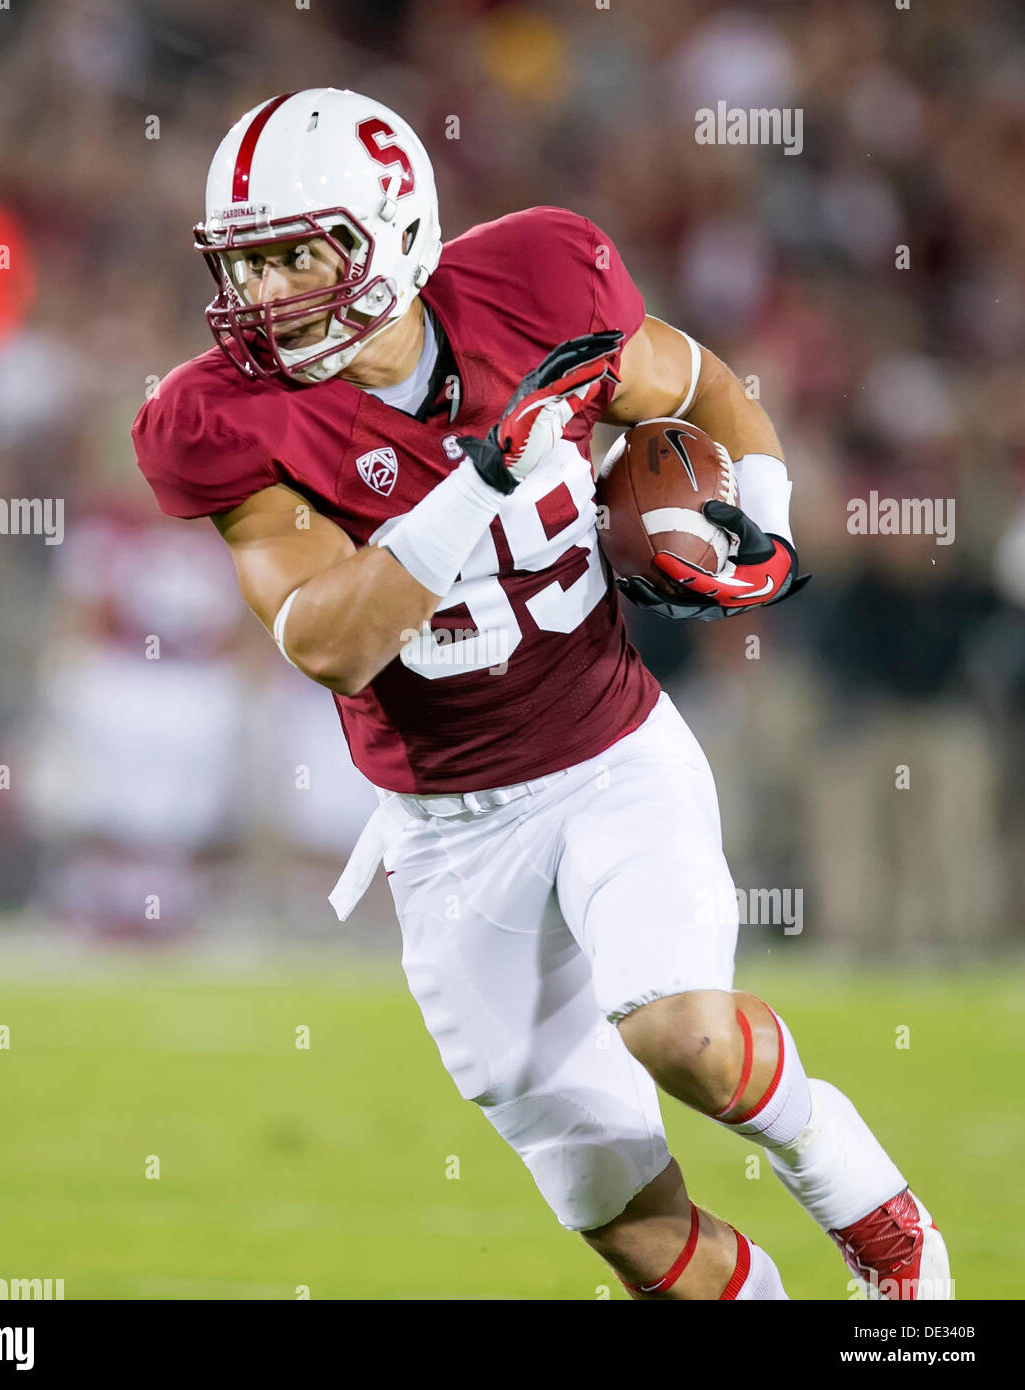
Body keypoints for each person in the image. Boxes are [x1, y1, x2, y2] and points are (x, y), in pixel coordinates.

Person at [132, 87, 949, 1300]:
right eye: (244, 263)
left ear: (392, 232)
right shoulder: (218, 418)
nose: (263, 293)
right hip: (447, 834)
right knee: (628, 1227)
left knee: (680, 1035)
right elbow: (329, 642)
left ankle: (887, 1237)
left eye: (298, 253)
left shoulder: (535, 283)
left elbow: (701, 383)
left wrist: (761, 518)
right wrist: (484, 476)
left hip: (612, 755)